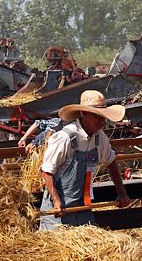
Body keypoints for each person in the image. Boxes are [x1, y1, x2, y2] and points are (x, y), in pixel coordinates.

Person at [39, 90, 131, 231]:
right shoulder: (66, 138)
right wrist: (56, 201)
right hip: (59, 209)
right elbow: (47, 171)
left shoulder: (100, 138)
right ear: (84, 114)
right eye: (97, 116)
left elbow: (110, 162)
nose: (102, 121)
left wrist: (122, 192)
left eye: (103, 117)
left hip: (82, 206)